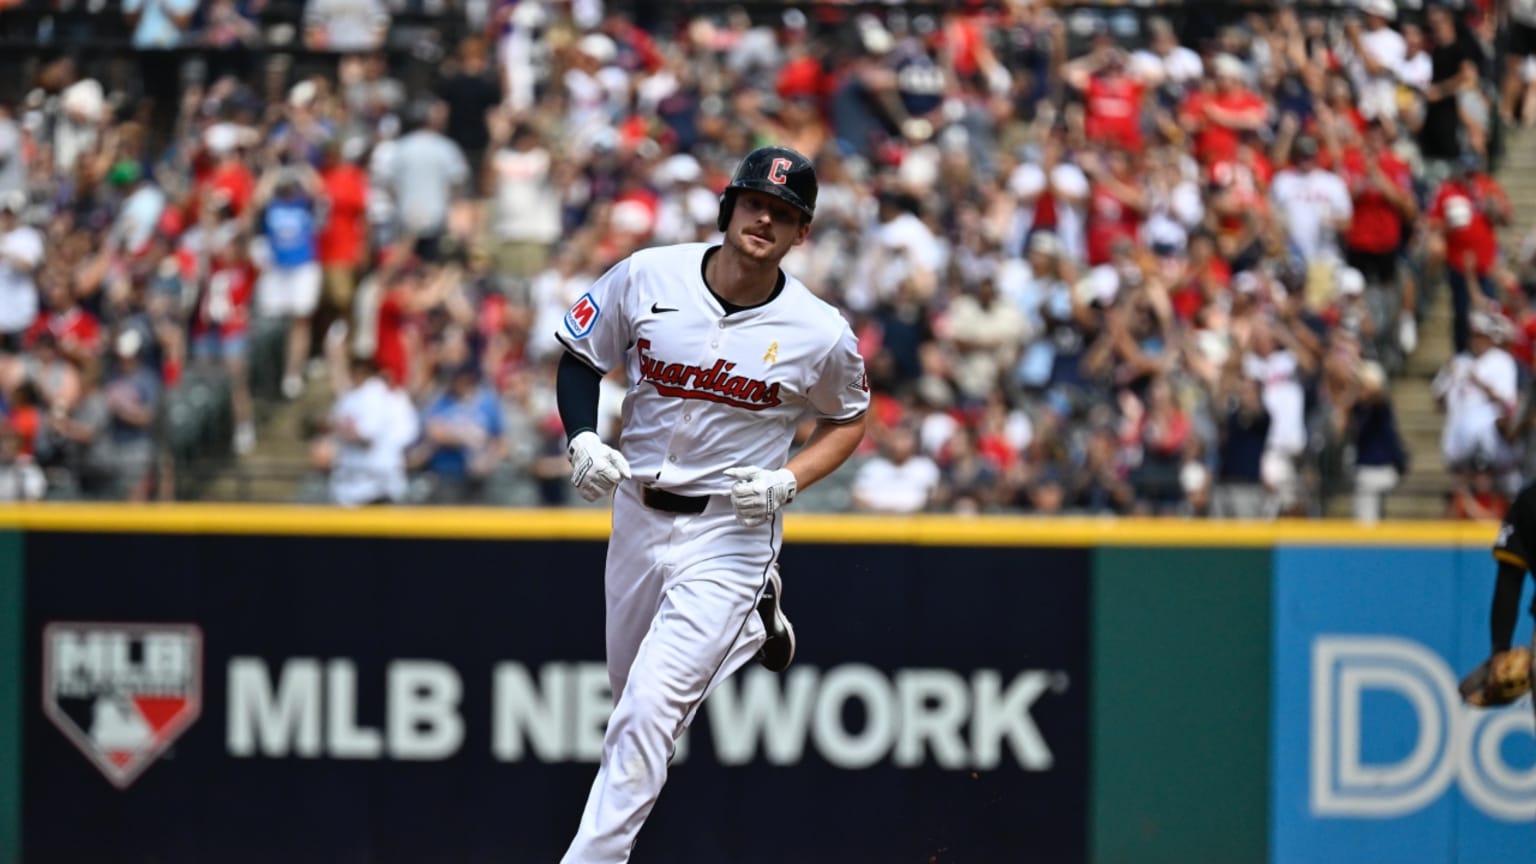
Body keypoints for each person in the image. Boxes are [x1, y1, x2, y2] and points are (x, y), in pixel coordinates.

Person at [553, 146, 869, 863]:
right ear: (729, 207)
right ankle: (757, 619)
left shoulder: (819, 330)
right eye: (757, 202)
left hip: (732, 526)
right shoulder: (648, 274)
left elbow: (849, 417)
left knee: (648, 713)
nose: (766, 218)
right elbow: (580, 354)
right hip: (637, 511)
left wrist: (791, 480)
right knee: (628, 698)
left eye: (785, 214)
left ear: (800, 235)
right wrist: (581, 438)